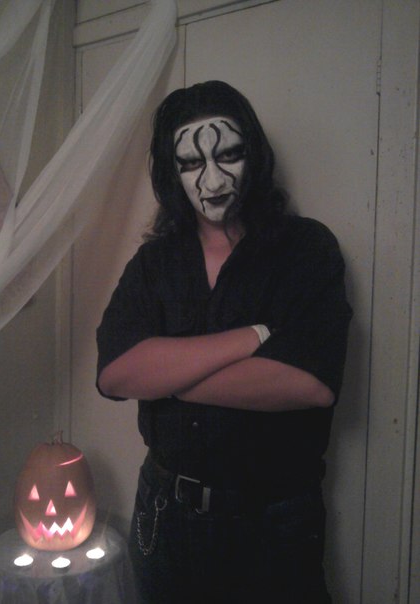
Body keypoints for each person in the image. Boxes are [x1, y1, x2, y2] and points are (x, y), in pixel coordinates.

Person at [96, 81, 352, 604]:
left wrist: (166, 375)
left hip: (274, 523)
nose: (212, 180)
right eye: (192, 163)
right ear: (172, 174)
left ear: (253, 154)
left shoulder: (307, 249)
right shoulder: (153, 264)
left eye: (228, 154)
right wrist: (250, 337)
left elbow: (308, 383)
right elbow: (116, 374)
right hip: (164, 515)